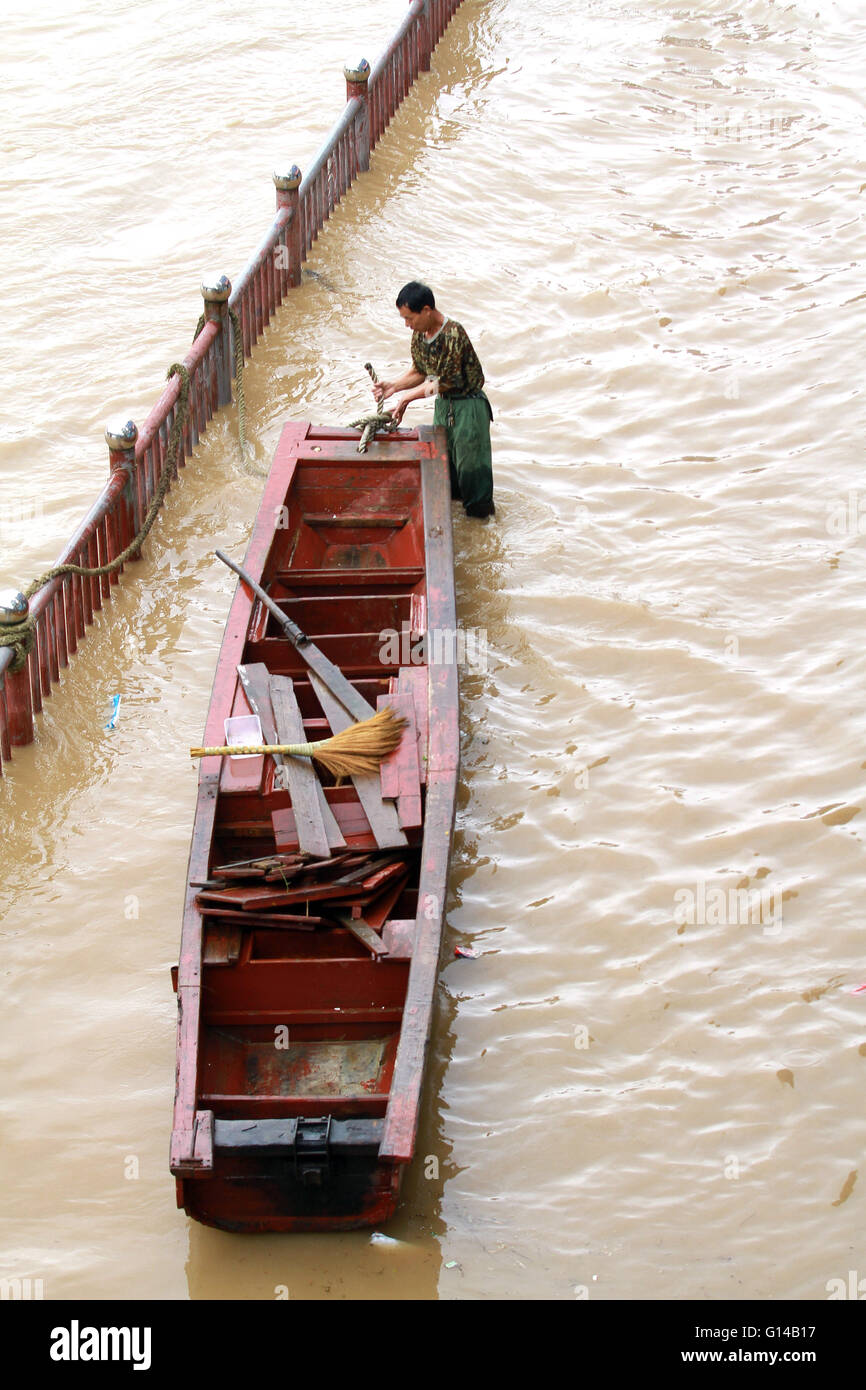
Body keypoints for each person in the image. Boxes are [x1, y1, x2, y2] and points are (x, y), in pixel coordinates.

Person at [372, 281, 495, 518]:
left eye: (410, 318)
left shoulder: (453, 334)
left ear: (427, 310)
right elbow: (420, 371)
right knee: (447, 470)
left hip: (468, 405)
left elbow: (442, 382)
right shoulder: (420, 335)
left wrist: (406, 399)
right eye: (404, 320)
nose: (408, 325)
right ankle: (458, 524)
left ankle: (483, 524)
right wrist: (394, 386)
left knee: (471, 471)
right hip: (444, 406)